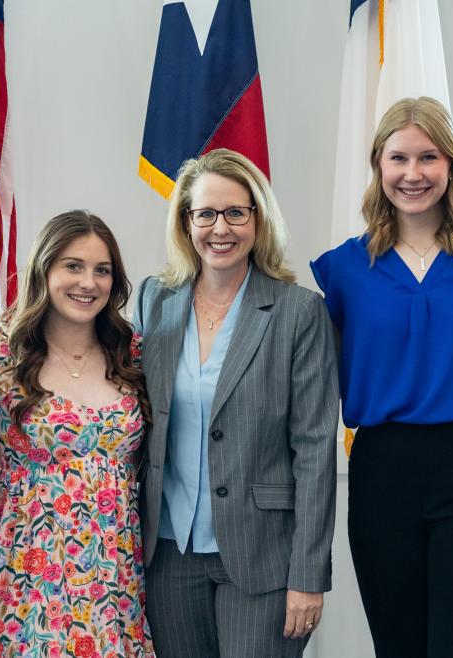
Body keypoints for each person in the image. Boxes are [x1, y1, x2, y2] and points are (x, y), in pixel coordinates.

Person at [311, 96, 453, 657]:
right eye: (398, 159)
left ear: (452, 167)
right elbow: (330, 374)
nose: (413, 174)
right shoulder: (344, 268)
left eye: (428, 157)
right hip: (384, 473)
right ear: (378, 166)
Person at [133, 148, 339, 658]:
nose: (219, 228)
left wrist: (308, 576)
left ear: (257, 219)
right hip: (169, 552)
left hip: (262, 554)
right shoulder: (153, 299)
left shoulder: (299, 311)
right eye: (205, 214)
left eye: (235, 213)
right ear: (186, 222)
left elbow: (315, 450)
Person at [0, 211, 154, 658]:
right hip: (24, 564)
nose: (88, 282)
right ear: (44, 269)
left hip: (111, 566)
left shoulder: (134, 355)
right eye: (73, 266)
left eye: (102, 270)